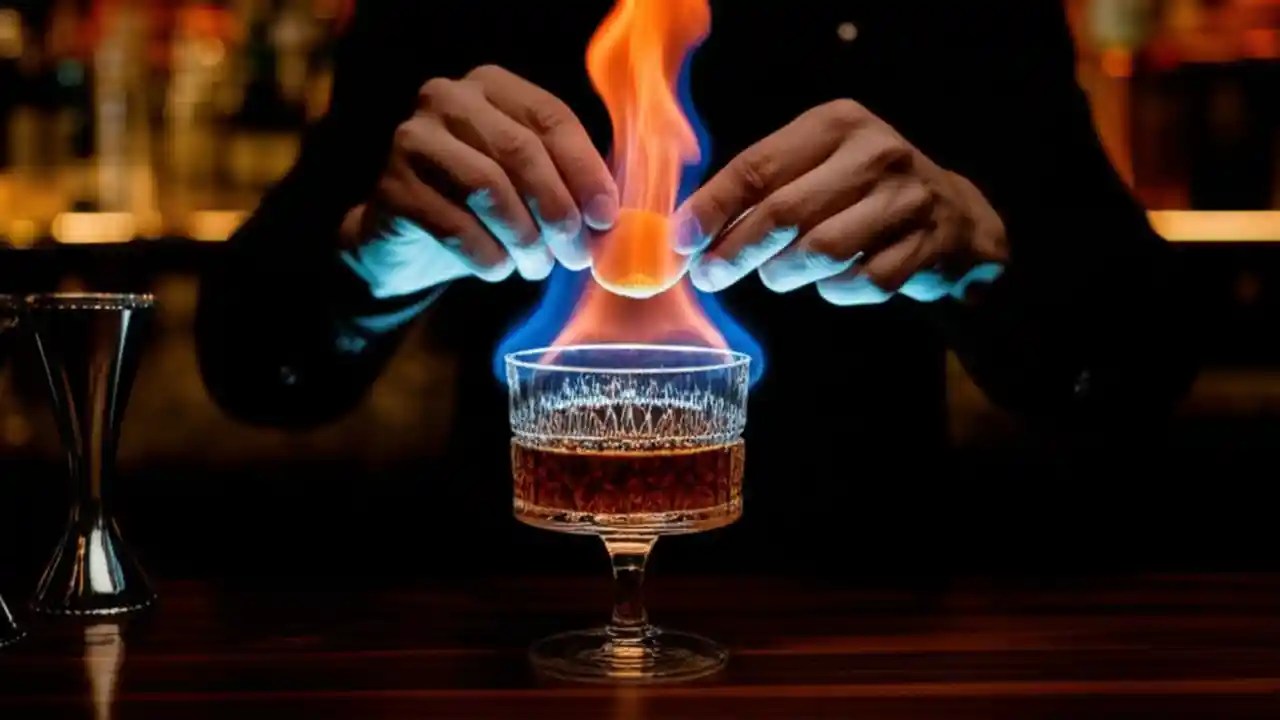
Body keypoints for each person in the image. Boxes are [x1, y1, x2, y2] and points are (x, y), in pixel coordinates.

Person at [197, 1, 1201, 572]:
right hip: (516, 626)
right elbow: (252, 362)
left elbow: (1142, 354)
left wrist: (983, 259)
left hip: (861, 615)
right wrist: (370, 265)